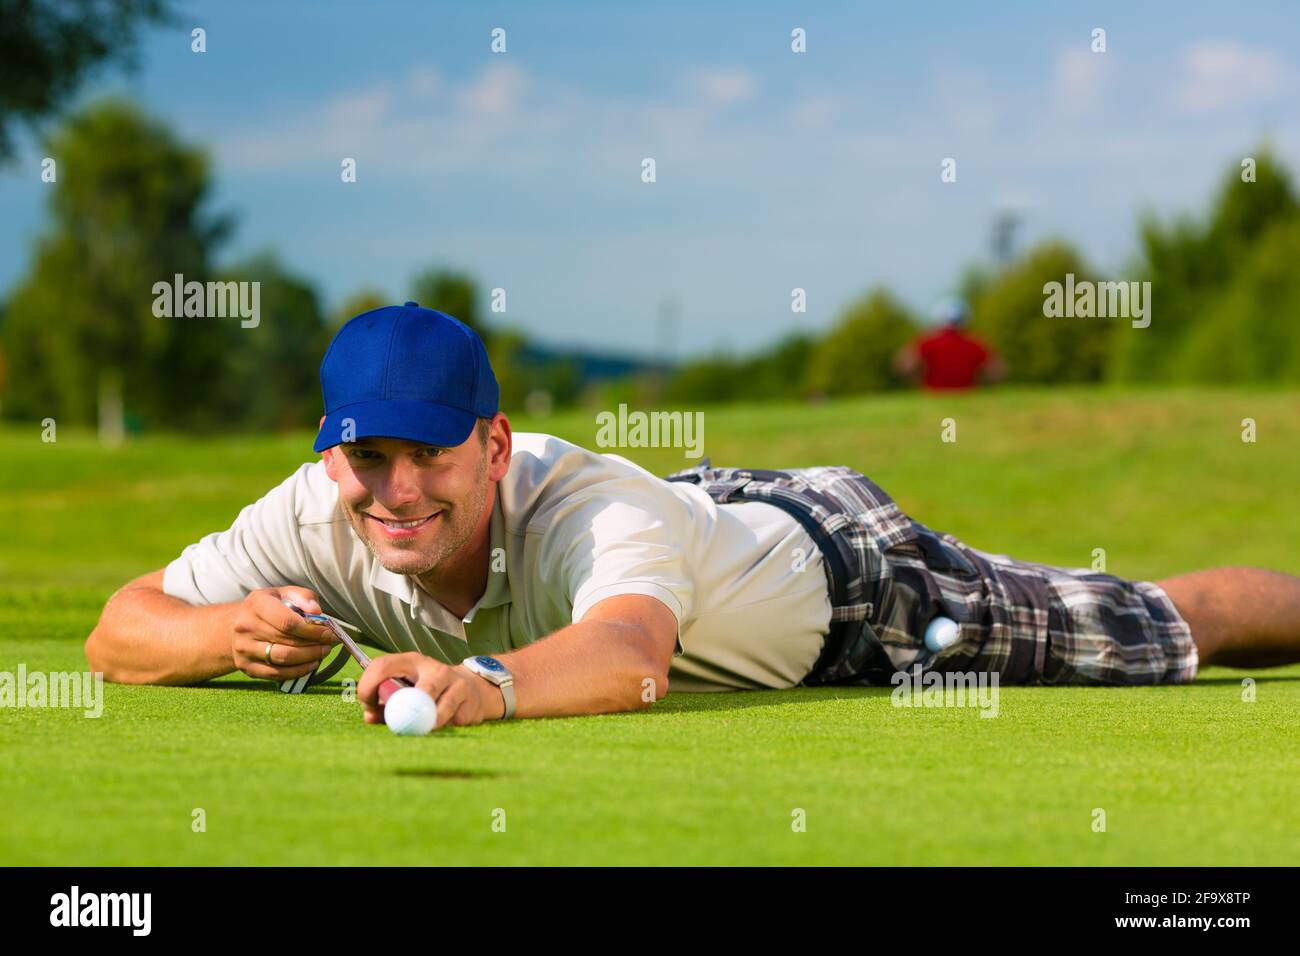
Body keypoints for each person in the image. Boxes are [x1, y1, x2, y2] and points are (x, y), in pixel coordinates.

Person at [86, 303, 1300, 728]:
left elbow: (627, 659)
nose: (393, 491)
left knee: (1155, 627)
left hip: (851, 580)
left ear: (494, 443)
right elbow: (115, 628)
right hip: (702, 516)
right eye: (367, 458)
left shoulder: (576, 505)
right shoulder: (320, 503)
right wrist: (220, 635)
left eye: (429, 454)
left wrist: (485, 683)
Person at [894, 297, 1006, 389]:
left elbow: (904, 365)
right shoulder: (975, 342)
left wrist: (917, 378)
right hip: (967, 397)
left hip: (934, 398)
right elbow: (998, 372)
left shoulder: (928, 341)